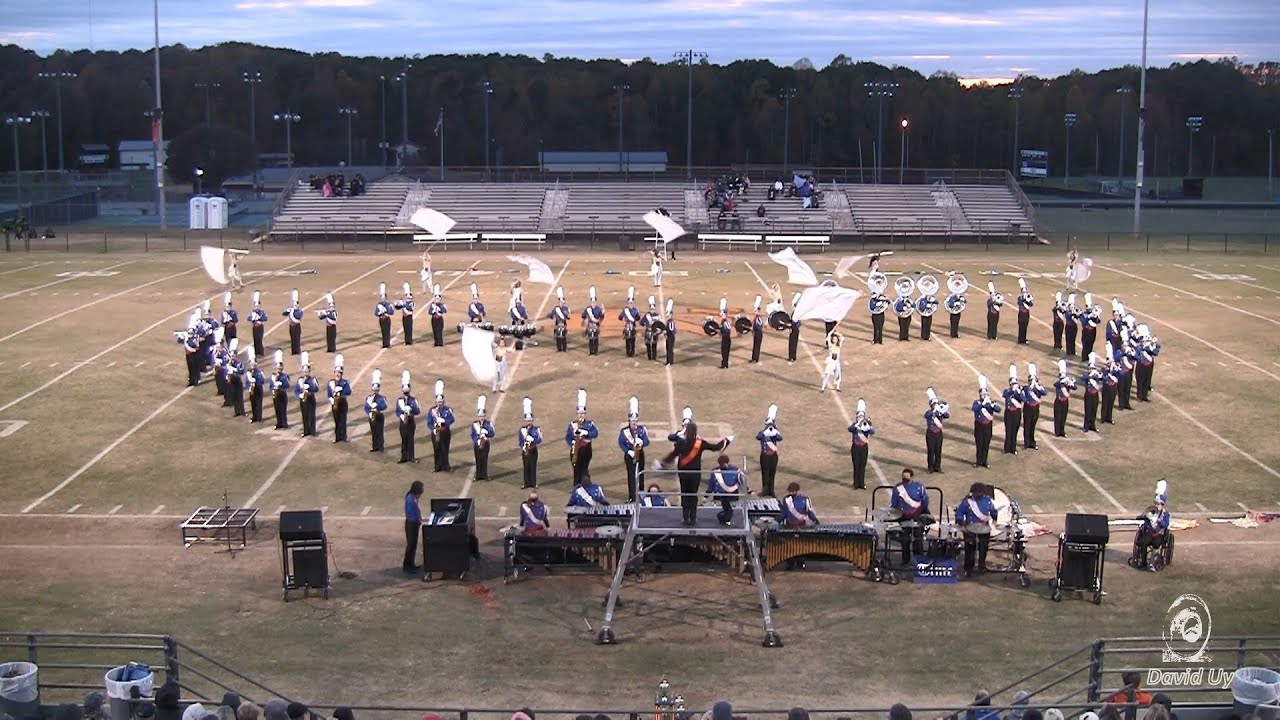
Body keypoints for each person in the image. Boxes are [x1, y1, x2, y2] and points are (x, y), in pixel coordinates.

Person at [665, 413, 731, 526]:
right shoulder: (700, 443)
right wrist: (726, 441)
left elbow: (673, 455)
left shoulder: (680, 442)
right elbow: (715, 447)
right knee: (693, 496)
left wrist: (664, 462)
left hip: (683, 474)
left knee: (685, 495)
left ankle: (685, 519)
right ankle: (693, 518)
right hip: (695, 474)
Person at [890, 468, 930, 565]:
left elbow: (925, 502)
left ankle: (919, 560)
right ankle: (905, 559)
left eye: (907, 477)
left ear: (912, 477)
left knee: (918, 539)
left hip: (917, 516)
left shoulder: (920, 487)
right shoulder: (897, 488)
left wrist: (919, 512)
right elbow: (894, 504)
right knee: (905, 539)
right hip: (903, 516)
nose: (905, 479)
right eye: (904, 477)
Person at [956, 483, 995, 576]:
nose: (978, 495)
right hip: (970, 529)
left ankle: (982, 565)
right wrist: (961, 522)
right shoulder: (967, 502)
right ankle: (968, 568)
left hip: (984, 528)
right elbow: (959, 513)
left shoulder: (988, 500)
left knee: (983, 548)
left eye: (980, 493)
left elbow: (993, 512)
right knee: (970, 549)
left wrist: (995, 516)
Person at [1131, 481, 1171, 570]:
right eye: (1155, 503)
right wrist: (1144, 516)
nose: (1156, 505)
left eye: (1158, 503)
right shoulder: (1151, 511)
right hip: (1149, 533)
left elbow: (1166, 524)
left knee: (1156, 544)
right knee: (1143, 543)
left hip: (1158, 535)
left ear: (1162, 505)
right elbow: (1141, 518)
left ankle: (1152, 563)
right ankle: (1143, 562)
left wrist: (1159, 521)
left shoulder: (1165, 514)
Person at [619, 397, 650, 502]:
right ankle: (632, 496)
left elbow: (647, 441)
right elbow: (621, 443)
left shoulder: (641, 430)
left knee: (641, 474)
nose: (634, 423)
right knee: (631, 476)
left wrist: (642, 442)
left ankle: (640, 494)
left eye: (636, 421)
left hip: (640, 454)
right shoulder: (624, 431)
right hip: (629, 456)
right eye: (633, 421)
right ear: (629, 421)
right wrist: (628, 451)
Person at [565, 390, 599, 485]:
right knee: (576, 468)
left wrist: (586, 432)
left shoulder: (589, 424)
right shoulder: (572, 425)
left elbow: (595, 433)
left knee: (584, 469)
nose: (581, 416)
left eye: (583, 414)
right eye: (579, 414)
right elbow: (568, 437)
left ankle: (585, 485)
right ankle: (576, 486)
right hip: (575, 449)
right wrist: (572, 442)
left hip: (586, 450)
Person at [971, 375, 1000, 468]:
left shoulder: (990, 403)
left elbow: (998, 409)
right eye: (983, 394)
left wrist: (991, 404)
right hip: (979, 426)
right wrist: (983, 404)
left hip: (988, 426)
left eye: (986, 394)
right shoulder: (977, 403)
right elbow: (974, 408)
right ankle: (978, 461)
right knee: (979, 444)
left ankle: (984, 461)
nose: (984, 396)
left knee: (986, 443)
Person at [427, 380, 455, 472]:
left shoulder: (448, 410)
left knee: (445, 449)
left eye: (441, 402)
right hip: (436, 432)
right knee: (436, 449)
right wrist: (433, 429)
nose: (439, 404)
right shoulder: (432, 411)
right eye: (438, 402)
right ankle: (437, 466)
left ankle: (446, 466)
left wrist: (444, 421)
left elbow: (452, 419)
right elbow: (429, 422)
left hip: (445, 432)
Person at [707, 455, 742, 526]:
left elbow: (741, 481)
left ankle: (724, 519)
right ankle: (723, 519)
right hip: (721, 493)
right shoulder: (715, 471)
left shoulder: (734, 469)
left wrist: (748, 490)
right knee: (728, 509)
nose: (723, 465)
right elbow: (711, 483)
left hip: (732, 493)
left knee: (728, 509)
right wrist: (706, 494)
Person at [755, 404, 782, 497]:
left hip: (773, 456)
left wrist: (775, 431)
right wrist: (765, 432)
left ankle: (771, 491)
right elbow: (758, 437)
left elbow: (780, 438)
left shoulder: (774, 433)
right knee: (765, 473)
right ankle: (765, 490)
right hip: (765, 456)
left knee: (772, 473)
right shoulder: (763, 432)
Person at [848, 399, 875, 489]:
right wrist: (857, 425)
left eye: (861, 416)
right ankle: (855, 484)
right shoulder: (855, 425)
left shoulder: (866, 424)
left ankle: (862, 483)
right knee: (856, 465)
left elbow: (872, 431)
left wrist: (869, 426)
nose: (860, 418)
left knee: (863, 465)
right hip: (855, 447)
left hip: (864, 447)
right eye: (859, 417)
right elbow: (850, 429)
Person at [396, 371, 421, 464]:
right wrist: (402, 416)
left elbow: (418, 411)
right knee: (403, 439)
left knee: (410, 439)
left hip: (410, 422)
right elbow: (397, 411)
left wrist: (411, 411)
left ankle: (411, 457)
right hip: (403, 422)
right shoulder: (399, 400)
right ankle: (404, 456)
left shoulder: (414, 400)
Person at [924, 388, 950, 473]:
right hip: (930, 434)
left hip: (938, 434)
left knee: (938, 450)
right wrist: (935, 411)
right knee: (931, 451)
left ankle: (937, 467)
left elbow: (947, 415)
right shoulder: (929, 412)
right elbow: (927, 415)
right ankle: (930, 468)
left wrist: (943, 409)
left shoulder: (939, 412)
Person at [518, 397, 542, 488]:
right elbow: (520, 440)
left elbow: (539, 439)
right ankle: (526, 483)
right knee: (526, 466)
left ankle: (533, 483)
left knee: (533, 466)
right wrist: (523, 447)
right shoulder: (522, 430)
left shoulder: (536, 429)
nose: (529, 422)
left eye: (530, 421)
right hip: (525, 450)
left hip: (533, 450)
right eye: (527, 421)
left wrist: (533, 439)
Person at [1022, 363, 1048, 449]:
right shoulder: (1026, 388)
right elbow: (1024, 398)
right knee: (1027, 425)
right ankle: (1026, 443)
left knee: (1033, 426)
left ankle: (1032, 442)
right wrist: (1030, 388)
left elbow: (1045, 393)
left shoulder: (1038, 388)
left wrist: (1038, 386)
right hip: (1028, 409)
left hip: (1035, 409)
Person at [327, 354, 351, 443]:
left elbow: (348, 391)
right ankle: (337, 436)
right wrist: (331, 400)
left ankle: (343, 436)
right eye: (337, 373)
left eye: (340, 373)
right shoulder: (331, 383)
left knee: (343, 419)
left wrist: (342, 391)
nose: (338, 374)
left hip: (343, 403)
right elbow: (329, 394)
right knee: (336, 420)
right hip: (335, 404)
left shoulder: (345, 382)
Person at [294, 352, 319, 438]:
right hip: (303, 400)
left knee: (312, 415)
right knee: (304, 415)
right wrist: (300, 395)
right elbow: (296, 390)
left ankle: (312, 431)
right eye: (304, 372)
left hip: (311, 399)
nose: (306, 373)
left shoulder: (313, 379)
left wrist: (310, 390)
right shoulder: (300, 380)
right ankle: (306, 430)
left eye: (307, 372)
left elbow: (316, 388)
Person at [471, 395, 495, 481]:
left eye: (483, 416)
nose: (481, 418)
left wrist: (486, 433)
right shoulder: (474, 424)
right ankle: (478, 475)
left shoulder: (488, 424)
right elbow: (473, 434)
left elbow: (492, 433)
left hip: (485, 443)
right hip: (477, 444)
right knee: (478, 459)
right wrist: (476, 441)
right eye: (480, 416)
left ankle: (485, 475)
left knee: (484, 459)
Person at [403, 480, 424, 573]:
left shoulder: (413, 497)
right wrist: (418, 520)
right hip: (411, 524)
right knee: (411, 545)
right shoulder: (410, 499)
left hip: (414, 523)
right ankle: (407, 565)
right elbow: (411, 513)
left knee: (413, 545)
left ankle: (411, 564)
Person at [1002, 365, 1024, 455]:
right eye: (1012, 384)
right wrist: (1013, 391)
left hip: (1016, 413)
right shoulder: (1007, 391)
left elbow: (1024, 399)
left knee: (1015, 430)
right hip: (1008, 413)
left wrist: (1018, 392)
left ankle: (1013, 447)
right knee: (1008, 430)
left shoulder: (1019, 392)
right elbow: (1005, 395)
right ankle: (1007, 448)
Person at [364, 369, 387, 453]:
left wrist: (377, 406)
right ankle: (375, 446)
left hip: (379, 416)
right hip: (372, 416)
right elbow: (366, 407)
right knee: (373, 432)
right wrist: (369, 413)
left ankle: (381, 446)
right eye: (374, 390)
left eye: (376, 390)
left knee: (380, 431)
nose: (375, 392)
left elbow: (384, 406)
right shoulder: (369, 398)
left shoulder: (382, 398)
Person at [1053, 359, 1076, 437]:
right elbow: (1055, 384)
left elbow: (1075, 387)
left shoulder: (1066, 381)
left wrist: (1071, 383)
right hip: (1058, 401)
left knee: (1063, 417)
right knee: (1058, 417)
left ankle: (1062, 431)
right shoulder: (1059, 383)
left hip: (1065, 401)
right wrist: (1062, 381)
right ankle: (1057, 432)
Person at [581, 286, 605, 356]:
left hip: (596, 325)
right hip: (590, 325)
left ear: (596, 302)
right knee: (590, 338)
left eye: (594, 302)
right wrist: (585, 320)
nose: (593, 303)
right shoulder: (588, 309)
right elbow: (583, 316)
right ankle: (591, 351)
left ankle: (596, 351)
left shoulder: (599, 309)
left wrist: (603, 313)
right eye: (592, 302)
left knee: (596, 338)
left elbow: (601, 318)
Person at [619, 287, 642, 358]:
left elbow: (638, 319)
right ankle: (628, 352)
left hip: (633, 327)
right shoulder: (625, 310)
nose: (630, 304)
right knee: (627, 340)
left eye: (631, 303)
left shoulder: (636, 310)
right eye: (629, 303)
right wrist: (622, 318)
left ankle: (633, 352)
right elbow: (620, 317)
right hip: (627, 327)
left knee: (633, 340)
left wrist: (638, 315)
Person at [1083, 352, 1103, 433]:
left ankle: (1092, 425)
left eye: (1092, 368)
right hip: (1088, 395)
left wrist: (1098, 375)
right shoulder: (1087, 375)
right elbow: (1083, 378)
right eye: (1090, 368)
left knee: (1094, 410)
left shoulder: (1096, 375)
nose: (1091, 369)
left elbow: (1102, 379)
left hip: (1095, 394)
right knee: (1088, 411)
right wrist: (1090, 375)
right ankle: (1086, 426)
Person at [270, 350, 290, 429]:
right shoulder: (273, 376)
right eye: (277, 368)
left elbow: (287, 385)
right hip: (276, 394)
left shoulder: (285, 376)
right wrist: (273, 388)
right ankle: (279, 422)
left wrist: (280, 384)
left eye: (280, 368)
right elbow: (270, 385)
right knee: (277, 409)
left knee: (283, 409)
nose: (278, 370)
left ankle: (284, 423)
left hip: (282, 394)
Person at [225, 340, 246, 418]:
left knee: (240, 397)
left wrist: (234, 369)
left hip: (237, 380)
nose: (233, 357)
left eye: (234, 356)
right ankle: (237, 411)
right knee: (234, 397)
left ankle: (242, 411)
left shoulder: (239, 363)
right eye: (231, 356)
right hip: (232, 381)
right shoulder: (229, 363)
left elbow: (242, 371)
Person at [246, 349, 266, 423]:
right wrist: (249, 386)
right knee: (253, 403)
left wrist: (256, 381)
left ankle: (259, 417)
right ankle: (254, 416)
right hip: (252, 389)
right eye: (251, 364)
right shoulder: (248, 372)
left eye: (254, 364)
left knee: (258, 403)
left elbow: (262, 380)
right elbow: (246, 382)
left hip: (258, 388)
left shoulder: (259, 372)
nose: (253, 365)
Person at [549, 288, 571, 352]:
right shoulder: (556, 308)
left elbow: (568, 317)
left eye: (562, 302)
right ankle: (559, 348)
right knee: (557, 336)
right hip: (557, 323)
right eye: (560, 302)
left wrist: (568, 315)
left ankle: (564, 348)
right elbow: (551, 315)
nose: (561, 303)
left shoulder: (566, 308)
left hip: (563, 324)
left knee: (563, 336)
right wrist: (551, 316)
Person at [282, 289, 303, 355]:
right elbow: (284, 314)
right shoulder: (291, 310)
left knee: (297, 338)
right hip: (291, 326)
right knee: (293, 338)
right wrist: (287, 311)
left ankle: (297, 351)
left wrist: (291, 311)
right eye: (294, 305)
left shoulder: (299, 311)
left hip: (297, 326)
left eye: (296, 305)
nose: (295, 306)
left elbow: (298, 316)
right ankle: (293, 351)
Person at [374, 283, 395, 349]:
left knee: (387, 331)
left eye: (384, 298)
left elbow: (391, 312)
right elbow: (376, 313)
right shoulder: (379, 305)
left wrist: (386, 310)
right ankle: (384, 344)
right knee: (383, 331)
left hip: (387, 319)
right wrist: (380, 312)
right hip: (381, 319)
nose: (383, 299)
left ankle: (387, 344)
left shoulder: (388, 304)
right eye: (382, 298)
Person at [248, 291, 268, 358]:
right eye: (255, 306)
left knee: (260, 339)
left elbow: (265, 318)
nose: (256, 307)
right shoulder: (252, 312)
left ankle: (261, 352)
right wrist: (253, 318)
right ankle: (256, 352)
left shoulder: (262, 312)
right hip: (254, 327)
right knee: (255, 339)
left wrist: (259, 319)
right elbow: (249, 318)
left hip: (260, 327)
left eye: (257, 306)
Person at [642, 296, 662, 362]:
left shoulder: (657, 316)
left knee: (654, 344)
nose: (652, 310)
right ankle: (650, 357)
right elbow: (641, 322)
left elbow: (660, 324)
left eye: (653, 309)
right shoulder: (647, 315)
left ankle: (653, 356)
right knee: (648, 345)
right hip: (649, 331)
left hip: (654, 332)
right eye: (651, 309)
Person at [1016, 278, 1034, 345]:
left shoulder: (1028, 297)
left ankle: (1024, 339)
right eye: (1023, 292)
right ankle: (1020, 339)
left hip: (1026, 313)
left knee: (1025, 326)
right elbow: (1019, 303)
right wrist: (1024, 299)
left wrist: (1029, 300)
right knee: (1021, 326)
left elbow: (1031, 304)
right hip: (1021, 313)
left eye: (1025, 292)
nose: (1025, 293)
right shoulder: (1020, 298)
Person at [787, 292, 802, 362]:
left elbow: (795, 322)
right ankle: (793, 356)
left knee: (792, 343)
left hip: (794, 328)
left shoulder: (796, 312)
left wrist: (791, 326)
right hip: (796, 328)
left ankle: (792, 357)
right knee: (794, 343)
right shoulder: (798, 312)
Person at [749, 295, 765, 363]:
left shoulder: (758, 318)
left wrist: (753, 328)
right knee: (755, 346)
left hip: (758, 333)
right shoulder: (757, 317)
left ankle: (755, 359)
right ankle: (754, 358)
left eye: (755, 310)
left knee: (756, 346)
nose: (755, 312)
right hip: (757, 333)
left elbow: (759, 325)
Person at [717, 305, 732, 369]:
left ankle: (724, 365)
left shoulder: (725, 322)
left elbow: (726, 331)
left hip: (726, 339)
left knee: (724, 352)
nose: (722, 316)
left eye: (723, 314)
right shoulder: (725, 322)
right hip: (727, 338)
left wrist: (721, 332)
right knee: (725, 352)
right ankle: (725, 364)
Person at [664, 299, 677, 365]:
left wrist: (666, 332)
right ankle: (668, 361)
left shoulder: (671, 322)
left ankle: (670, 361)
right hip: (669, 337)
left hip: (671, 337)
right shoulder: (669, 321)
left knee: (670, 349)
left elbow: (671, 330)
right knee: (668, 349)